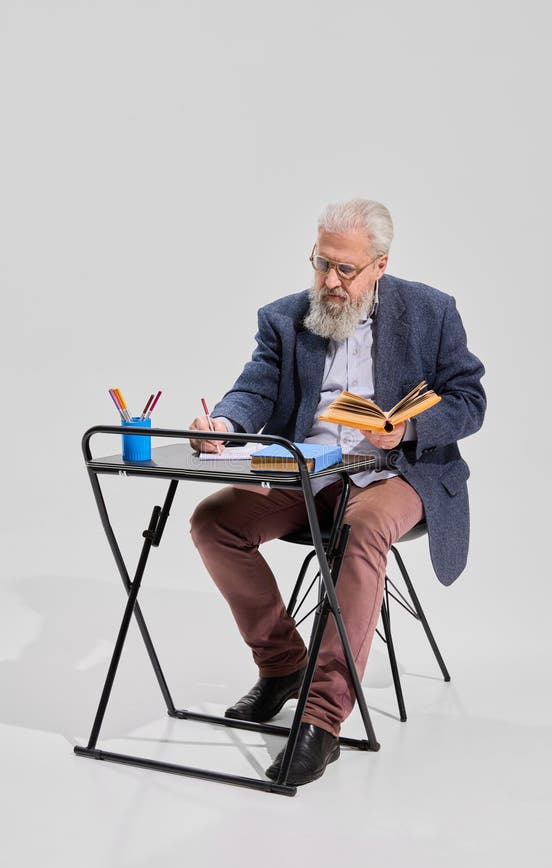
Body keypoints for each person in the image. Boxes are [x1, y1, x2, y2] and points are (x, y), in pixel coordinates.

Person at [189, 199, 486, 785]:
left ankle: (322, 722)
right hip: (312, 468)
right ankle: (281, 666)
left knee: (363, 529)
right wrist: (222, 426)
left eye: (344, 269)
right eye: (321, 262)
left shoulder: (431, 311)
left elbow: (469, 400)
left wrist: (410, 428)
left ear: (379, 265)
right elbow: (253, 390)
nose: (329, 280)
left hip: (397, 471)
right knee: (213, 522)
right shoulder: (284, 317)